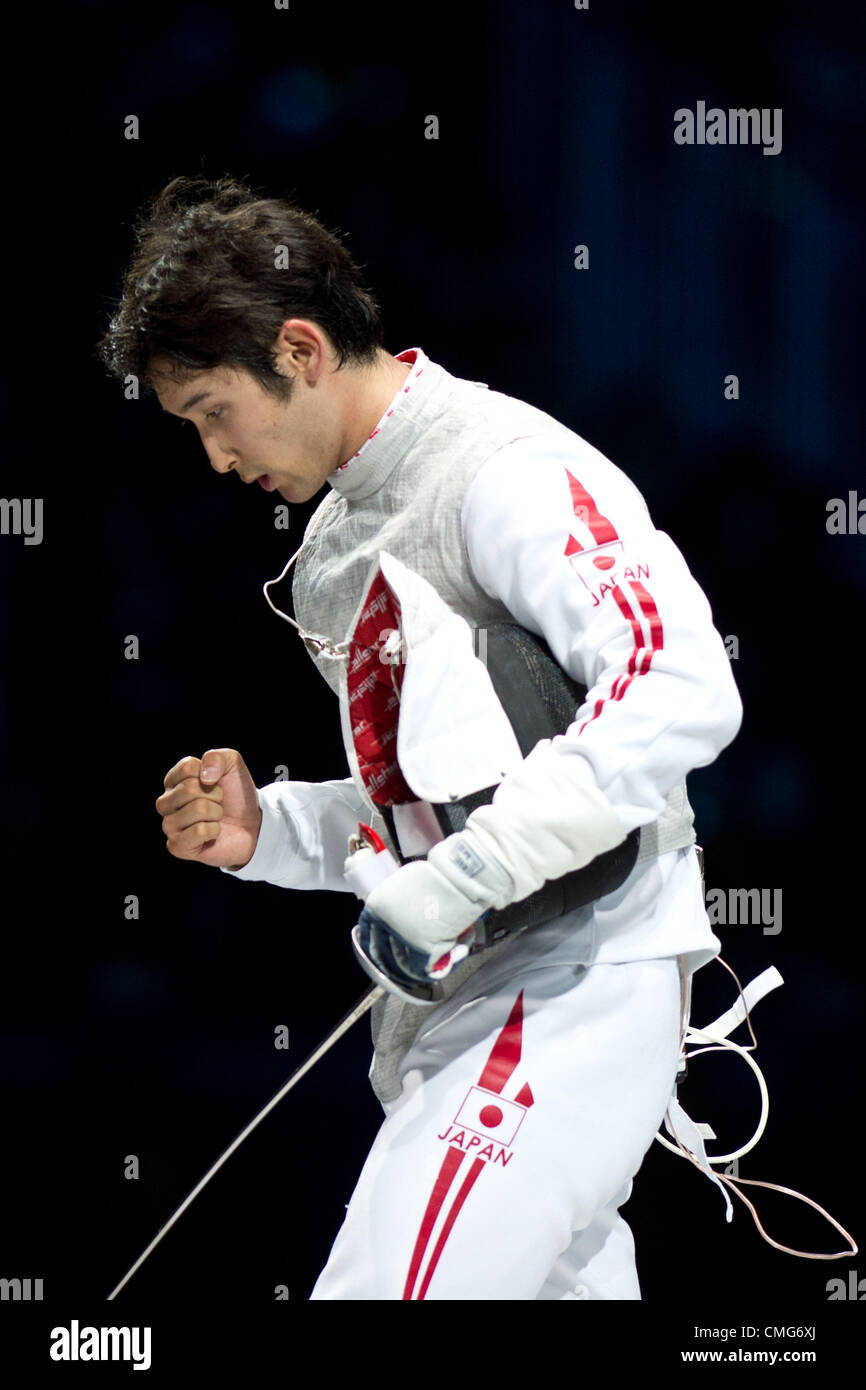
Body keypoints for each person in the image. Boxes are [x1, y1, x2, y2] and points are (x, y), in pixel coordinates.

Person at [97, 175, 742, 1300]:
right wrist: (279, 828)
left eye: (211, 411)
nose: (211, 456)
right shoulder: (343, 534)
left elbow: (678, 683)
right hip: (474, 1003)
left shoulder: (501, 471)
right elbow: (447, 800)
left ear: (297, 349)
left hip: (566, 988)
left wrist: (470, 873)